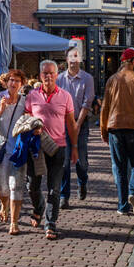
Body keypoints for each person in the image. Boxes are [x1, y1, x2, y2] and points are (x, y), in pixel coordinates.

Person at [24, 59, 76, 240]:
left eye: (51, 73)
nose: (48, 76)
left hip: (58, 147)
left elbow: (71, 123)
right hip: (37, 146)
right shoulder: (32, 96)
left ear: (56, 75)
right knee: (32, 185)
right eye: (45, 73)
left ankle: (50, 223)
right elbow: (26, 117)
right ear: (40, 75)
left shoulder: (65, 96)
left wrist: (75, 147)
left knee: (54, 188)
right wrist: (32, 125)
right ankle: (38, 207)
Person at [99, 47, 134, 217]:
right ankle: (133, 195)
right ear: (132, 61)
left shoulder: (112, 80)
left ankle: (122, 206)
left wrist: (103, 130)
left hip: (115, 128)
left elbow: (104, 107)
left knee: (120, 169)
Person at [0, 69, 30, 235]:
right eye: (11, 80)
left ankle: (14, 222)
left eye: (17, 81)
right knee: (1, 187)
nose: (14, 83)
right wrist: (0, 110)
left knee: (16, 186)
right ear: (6, 82)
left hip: (18, 150)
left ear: (21, 84)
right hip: (1, 149)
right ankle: (3, 204)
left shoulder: (25, 101)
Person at [57, 48, 95, 208]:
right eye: (70, 56)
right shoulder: (59, 79)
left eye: (76, 56)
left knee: (81, 161)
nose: (73, 60)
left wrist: (78, 124)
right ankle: (64, 196)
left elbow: (88, 102)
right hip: (63, 124)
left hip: (81, 122)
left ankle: (82, 182)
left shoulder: (87, 78)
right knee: (64, 162)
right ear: (66, 59)